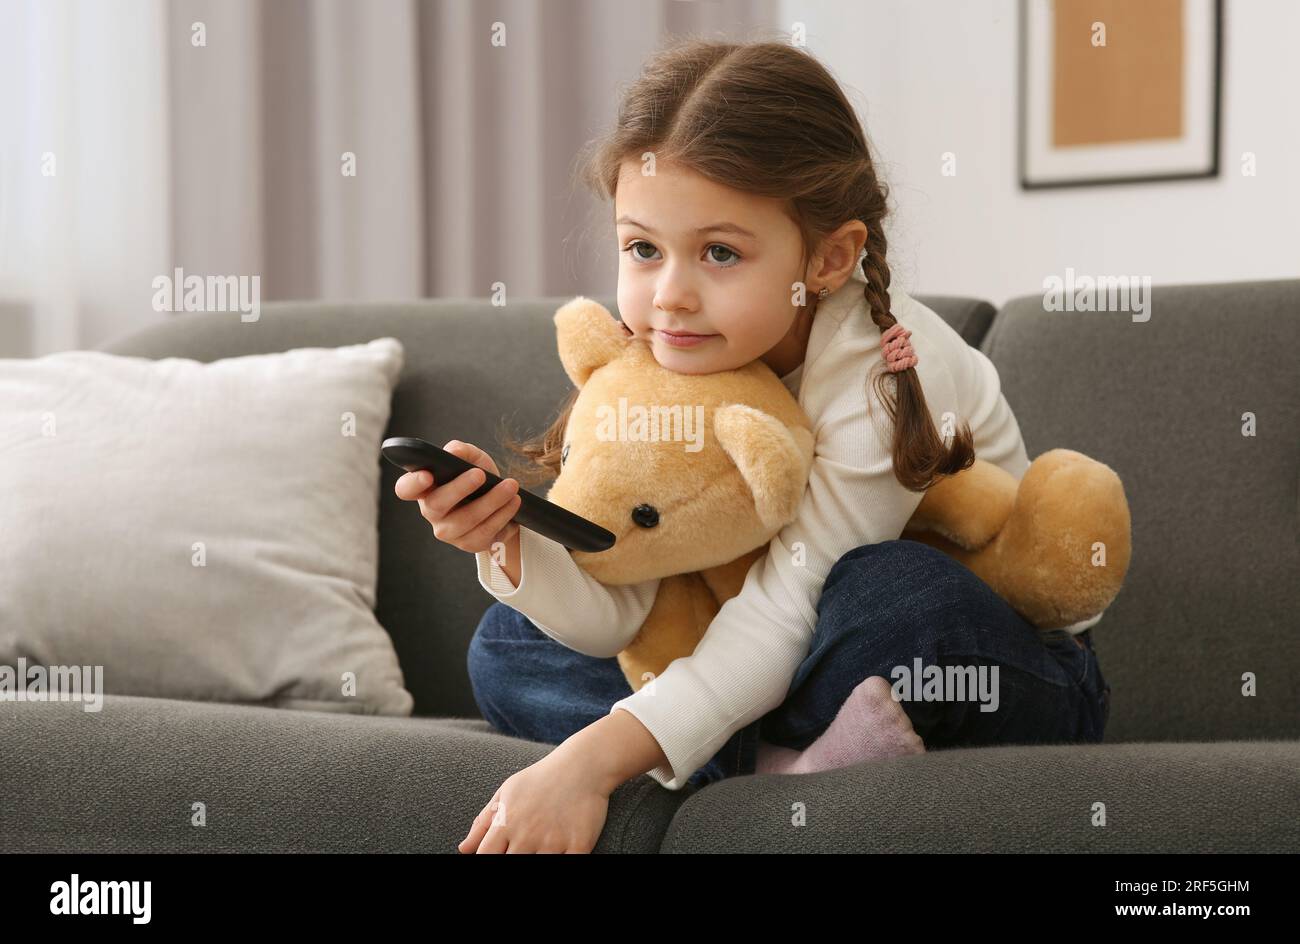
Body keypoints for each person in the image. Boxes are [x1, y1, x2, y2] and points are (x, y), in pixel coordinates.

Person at [395, 37, 1111, 853]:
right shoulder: (671, 358)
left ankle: (723, 756)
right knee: (507, 644)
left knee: (889, 594)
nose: (669, 296)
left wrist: (589, 766)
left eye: (721, 252)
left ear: (831, 257)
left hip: (986, 665)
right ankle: (787, 766)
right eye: (642, 249)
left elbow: (782, 615)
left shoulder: (889, 370)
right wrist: (514, 542)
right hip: (772, 664)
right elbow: (630, 598)